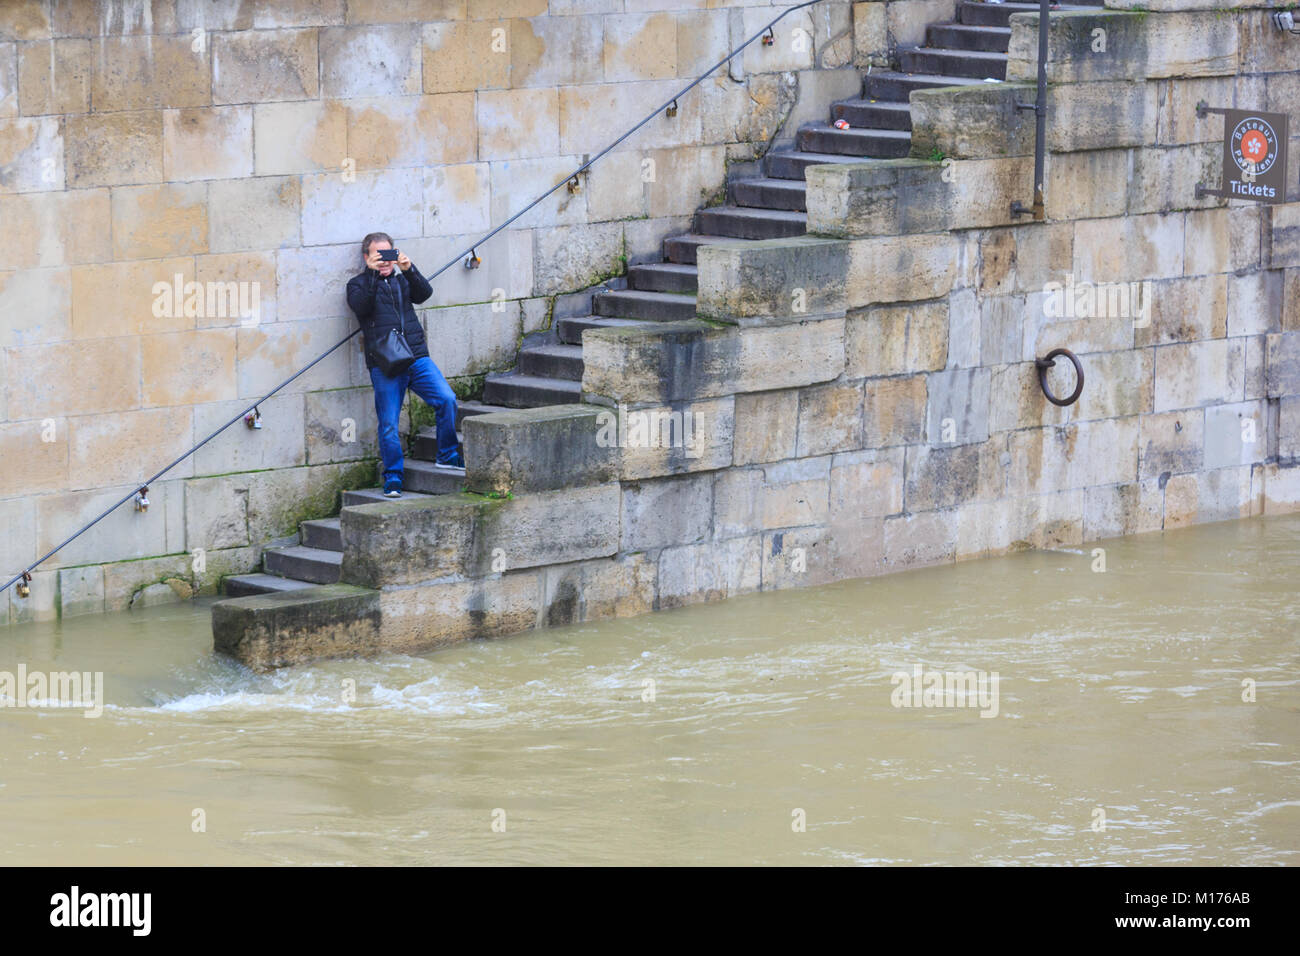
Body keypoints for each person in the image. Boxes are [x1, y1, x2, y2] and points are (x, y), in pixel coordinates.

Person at [346, 232, 463, 498]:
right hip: (386, 364)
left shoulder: (401, 281)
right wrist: (375, 275)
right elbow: (361, 308)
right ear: (367, 257)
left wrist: (409, 269)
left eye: (389, 254)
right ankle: (393, 477)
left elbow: (424, 294)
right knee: (388, 423)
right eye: (379, 255)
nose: (385, 261)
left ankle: (447, 455)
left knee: (446, 399)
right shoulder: (358, 284)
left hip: (417, 357)